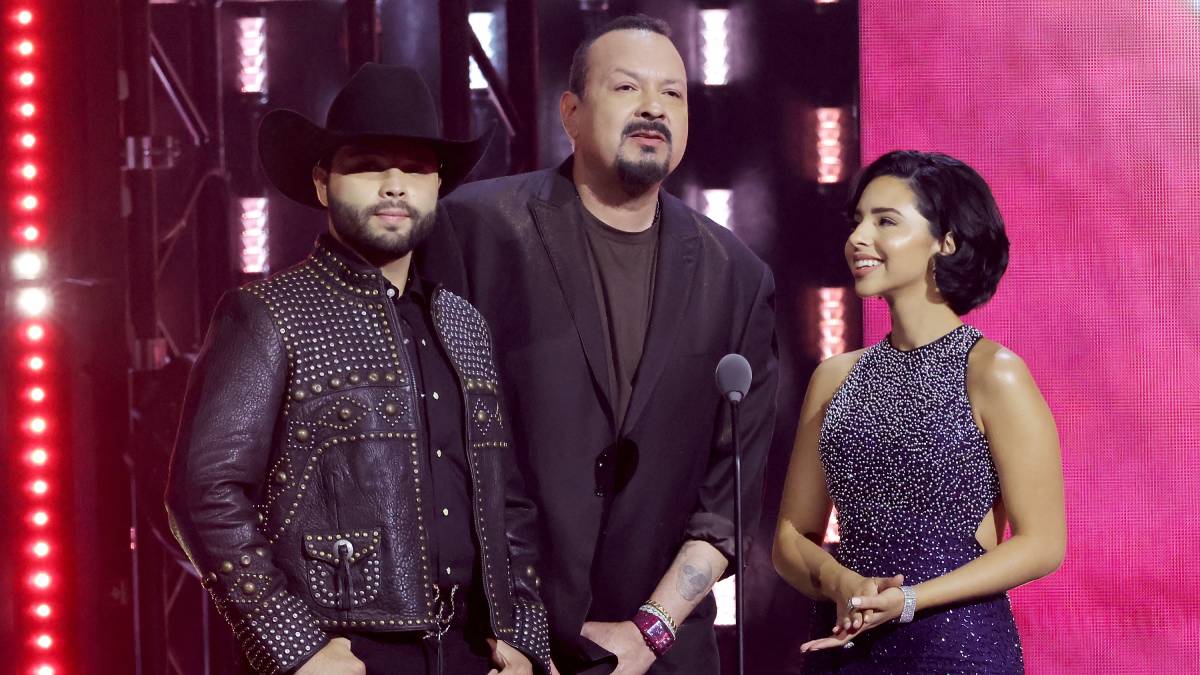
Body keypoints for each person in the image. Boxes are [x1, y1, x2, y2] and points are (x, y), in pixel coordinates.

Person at [421, 14, 778, 675]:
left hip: (661, 651)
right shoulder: (477, 230)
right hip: (500, 645)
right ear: (572, 111)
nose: (652, 107)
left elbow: (730, 493)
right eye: (626, 88)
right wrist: (514, 623)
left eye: (672, 93)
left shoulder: (737, 275)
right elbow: (434, 449)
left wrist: (650, 631)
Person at [165, 64, 551, 675]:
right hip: (344, 654)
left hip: (476, 654)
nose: (395, 184)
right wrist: (295, 647)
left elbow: (509, 501)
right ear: (323, 182)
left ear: (437, 184)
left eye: (416, 168)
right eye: (369, 164)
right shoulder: (271, 314)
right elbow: (202, 493)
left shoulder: (464, 325)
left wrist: (525, 635)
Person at [771, 150, 1066, 672]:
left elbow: (1043, 543)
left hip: (955, 648)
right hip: (845, 641)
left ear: (946, 241)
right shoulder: (835, 378)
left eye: (884, 221)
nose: (858, 237)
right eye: (857, 220)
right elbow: (792, 539)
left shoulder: (993, 373)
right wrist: (840, 580)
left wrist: (910, 600)